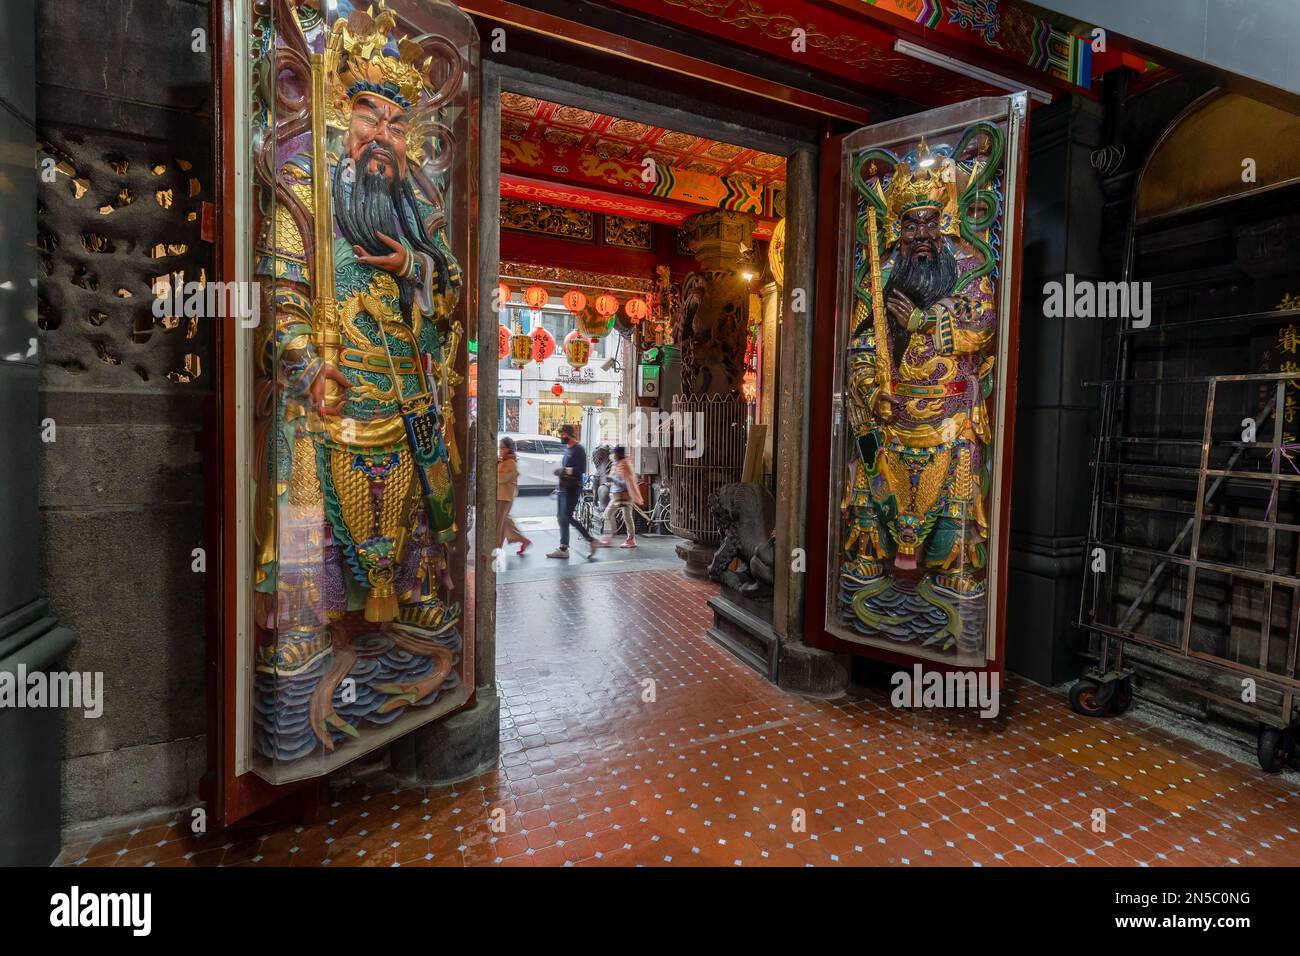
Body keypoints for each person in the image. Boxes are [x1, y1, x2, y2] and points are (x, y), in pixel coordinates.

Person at [548, 423, 600, 559]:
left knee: (567, 517)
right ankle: (563, 548)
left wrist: (565, 470)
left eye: (563, 434)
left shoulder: (579, 449)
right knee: (561, 518)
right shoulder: (567, 449)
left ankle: (590, 540)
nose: (561, 437)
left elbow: (580, 470)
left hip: (573, 488)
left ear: (570, 435)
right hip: (563, 488)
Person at [599, 445, 643, 548]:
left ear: (618, 454)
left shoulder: (625, 465)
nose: (612, 455)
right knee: (627, 517)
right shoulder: (617, 464)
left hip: (624, 495)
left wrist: (612, 480)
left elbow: (625, 483)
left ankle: (610, 537)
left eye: (614, 453)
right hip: (618, 495)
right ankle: (629, 539)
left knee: (609, 515)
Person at [496, 437, 531, 557]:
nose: (500, 450)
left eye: (503, 447)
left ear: (509, 449)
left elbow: (502, 478)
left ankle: (497, 548)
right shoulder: (504, 461)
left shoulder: (510, 462)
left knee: (499, 524)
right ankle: (523, 540)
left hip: (504, 497)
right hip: (501, 496)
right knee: (505, 522)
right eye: (499, 447)